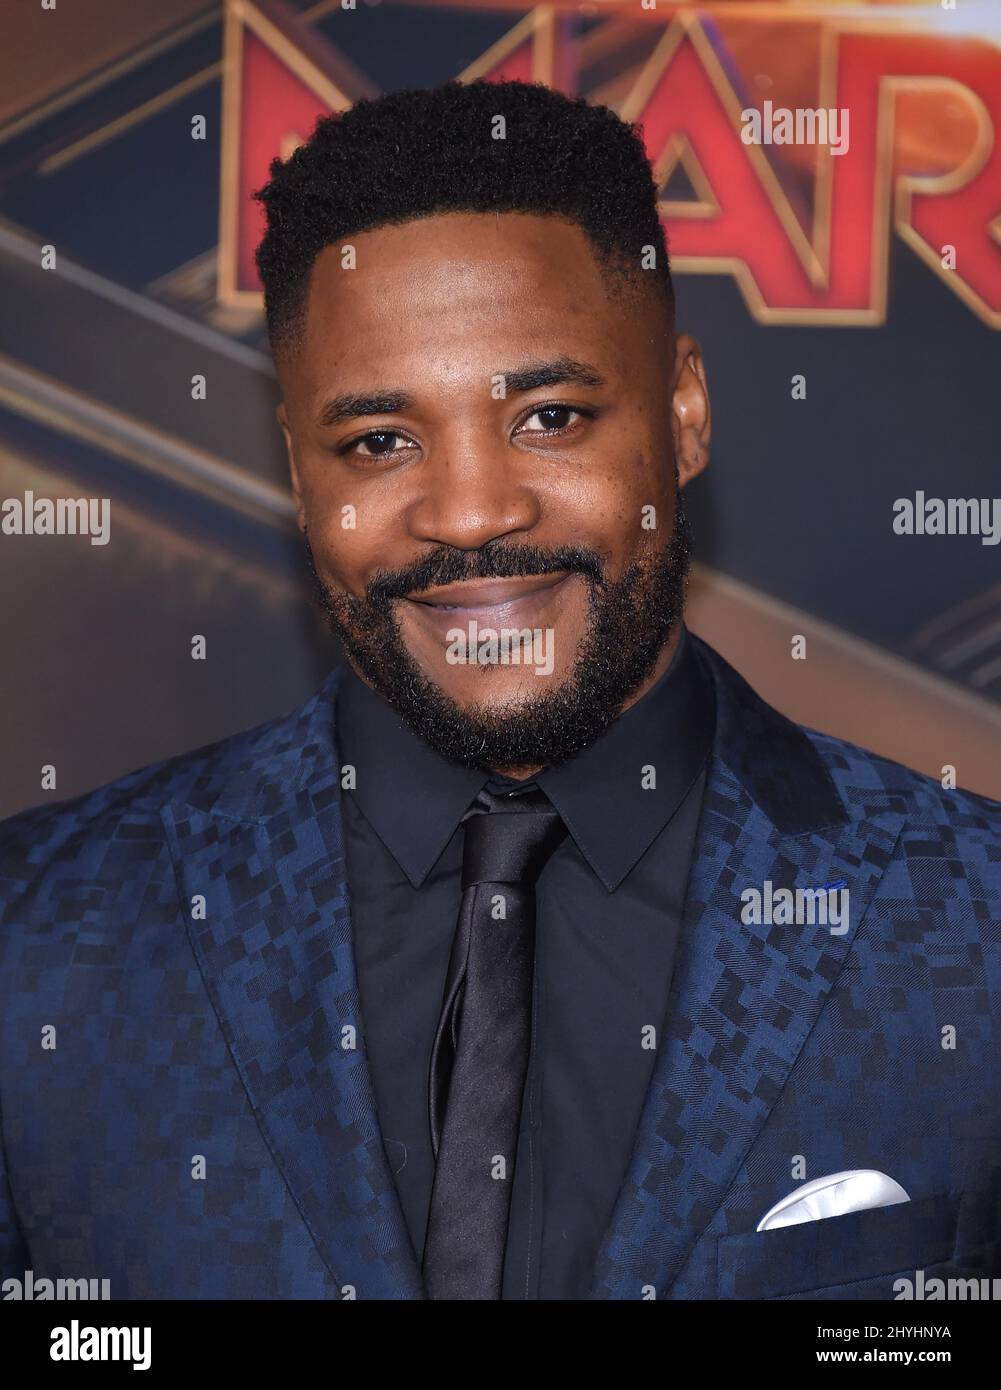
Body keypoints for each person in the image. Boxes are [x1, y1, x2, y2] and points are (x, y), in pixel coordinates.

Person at [1, 80, 998, 1302]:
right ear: (297, 467)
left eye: (548, 416)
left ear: (681, 415)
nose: (470, 513)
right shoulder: (37, 937)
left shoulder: (973, 922)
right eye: (379, 440)